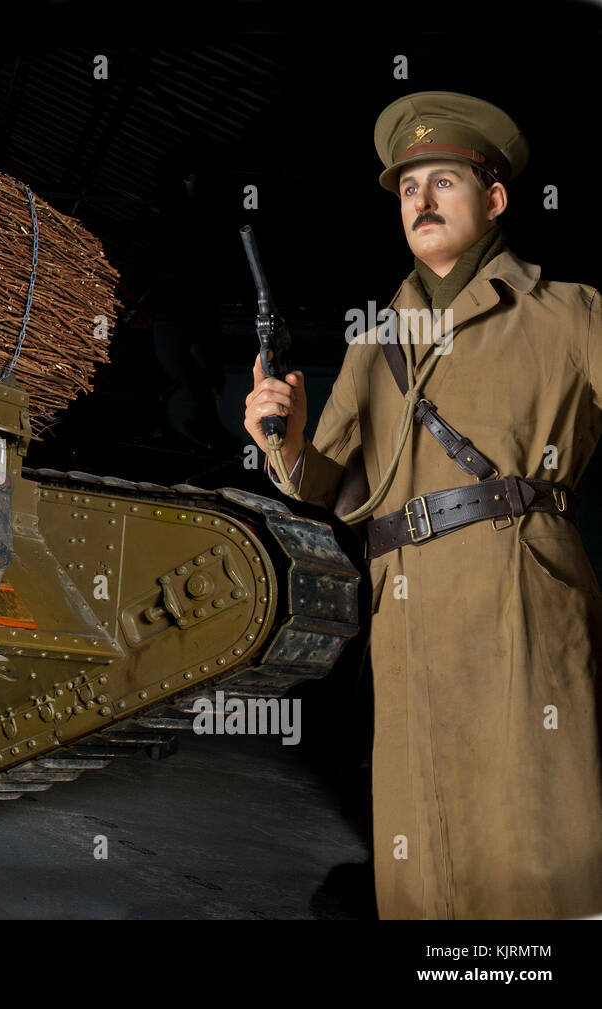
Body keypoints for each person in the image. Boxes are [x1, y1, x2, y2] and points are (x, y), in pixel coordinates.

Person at [243, 91, 602, 919]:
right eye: (409, 189)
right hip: (406, 612)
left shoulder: (569, 314)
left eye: (444, 181)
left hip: (521, 597)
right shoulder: (375, 340)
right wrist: (282, 438)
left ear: (495, 200)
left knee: (535, 837)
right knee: (422, 850)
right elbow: (325, 483)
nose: (423, 201)